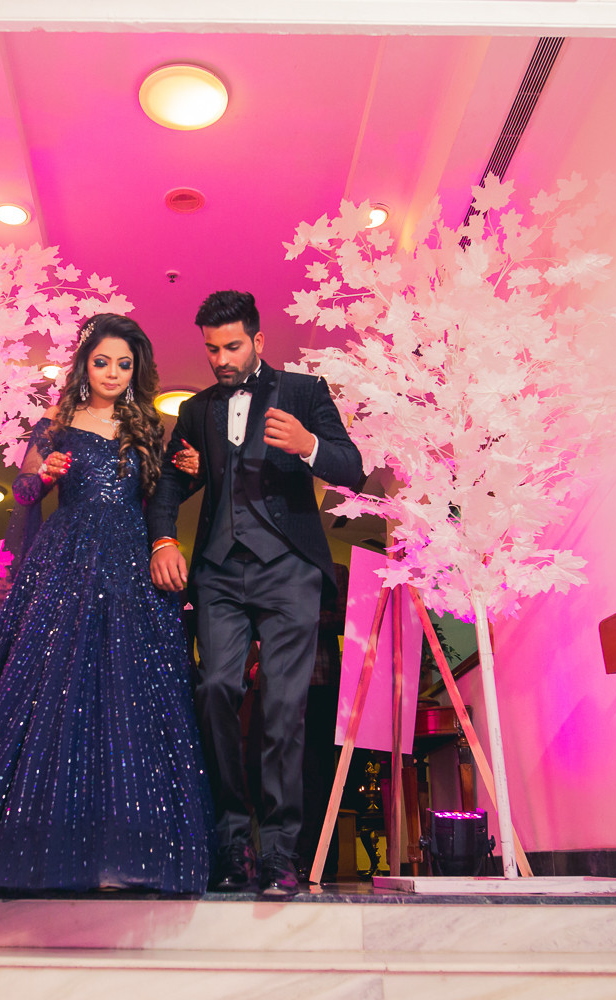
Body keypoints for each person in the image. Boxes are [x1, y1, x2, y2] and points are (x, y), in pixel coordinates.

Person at [0, 314, 212, 897]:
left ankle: (116, 856)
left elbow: (156, 502)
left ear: (136, 370)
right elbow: (22, 498)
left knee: (123, 701)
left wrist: (189, 477)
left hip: (127, 568)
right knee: (49, 693)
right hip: (65, 562)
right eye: (102, 362)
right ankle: (35, 851)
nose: (113, 373)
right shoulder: (55, 426)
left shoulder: (147, 429)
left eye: (124, 364)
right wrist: (41, 478)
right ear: (83, 366)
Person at [149, 290, 364, 896]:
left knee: (282, 708)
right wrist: (164, 538)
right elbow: (170, 482)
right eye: (212, 348)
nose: (220, 358)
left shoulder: (303, 392)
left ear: (259, 341)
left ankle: (279, 851)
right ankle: (232, 841)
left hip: (289, 569)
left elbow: (353, 466)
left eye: (232, 346)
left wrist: (309, 446)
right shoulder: (196, 410)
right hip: (219, 568)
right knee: (215, 688)